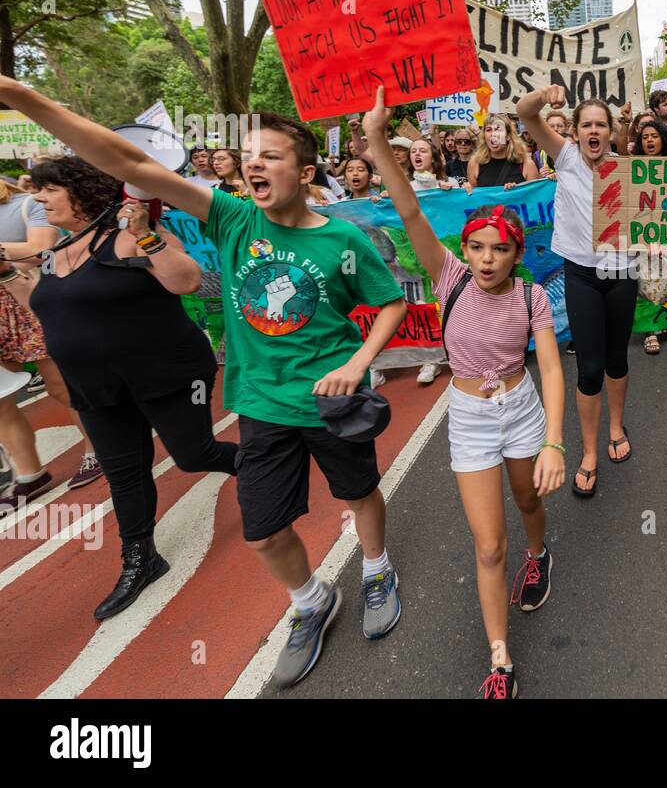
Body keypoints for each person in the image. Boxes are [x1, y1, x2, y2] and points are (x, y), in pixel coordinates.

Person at [0, 74, 409, 688]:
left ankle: (376, 568)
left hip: (333, 403)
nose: (253, 166)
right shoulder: (233, 219)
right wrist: (23, 97)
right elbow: (129, 159)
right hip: (260, 404)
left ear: (305, 171)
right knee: (264, 532)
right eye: (248, 159)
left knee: (358, 494)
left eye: (269, 156)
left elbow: (390, 304)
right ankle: (309, 601)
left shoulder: (344, 238)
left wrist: (355, 365)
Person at [364, 88, 563, 699]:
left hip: (524, 410)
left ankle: (540, 552)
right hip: (471, 416)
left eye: (499, 249)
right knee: (486, 541)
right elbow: (411, 212)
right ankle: (499, 659)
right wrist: (376, 138)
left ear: (516, 253)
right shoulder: (448, 276)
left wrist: (555, 441)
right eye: (477, 246)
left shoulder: (531, 298)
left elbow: (551, 370)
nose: (485, 259)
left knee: (528, 501)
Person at [24, 157, 237, 619]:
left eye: (48, 190)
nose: (37, 199)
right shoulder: (54, 255)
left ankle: (268, 462)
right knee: (124, 473)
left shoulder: (128, 239)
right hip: (97, 389)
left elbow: (188, 280)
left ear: (80, 193)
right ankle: (140, 559)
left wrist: (144, 232)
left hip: (165, 372)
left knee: (194, 455)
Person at [518, 85, 635, 497]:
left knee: (617, 359)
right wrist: (542, 95)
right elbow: (525, 112)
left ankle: (616, 426)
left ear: (611, 132)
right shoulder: (564, 156)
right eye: (586, 124)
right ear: (575, 131)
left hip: (623, 273)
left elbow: (655, 216)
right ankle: (588, 450)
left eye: (601, 124)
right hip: (581, 275)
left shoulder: (629, 168)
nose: (594, 131)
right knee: (589, 368)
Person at [0, 179, 102, 502]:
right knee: (0, 401)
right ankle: (32, 474)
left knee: (62, 386)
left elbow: (41, 250)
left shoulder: (28, 204)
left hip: (29, 301)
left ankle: (97, 450)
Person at [632, 119, 667, 356]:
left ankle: (666, 319)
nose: (649, 140)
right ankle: (649, 330)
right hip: (645, 232)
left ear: (664, 138)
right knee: (647, 280)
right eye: (644, 137)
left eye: (654, 136)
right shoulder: (633, 167)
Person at [468, 115, 540, 190]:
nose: (493, 134)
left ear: (508, 135)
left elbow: (534, 196)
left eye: (498, 129)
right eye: (489, 130)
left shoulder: (527, 164)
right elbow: (473, 198)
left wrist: (516, 192)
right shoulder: (474, 163)